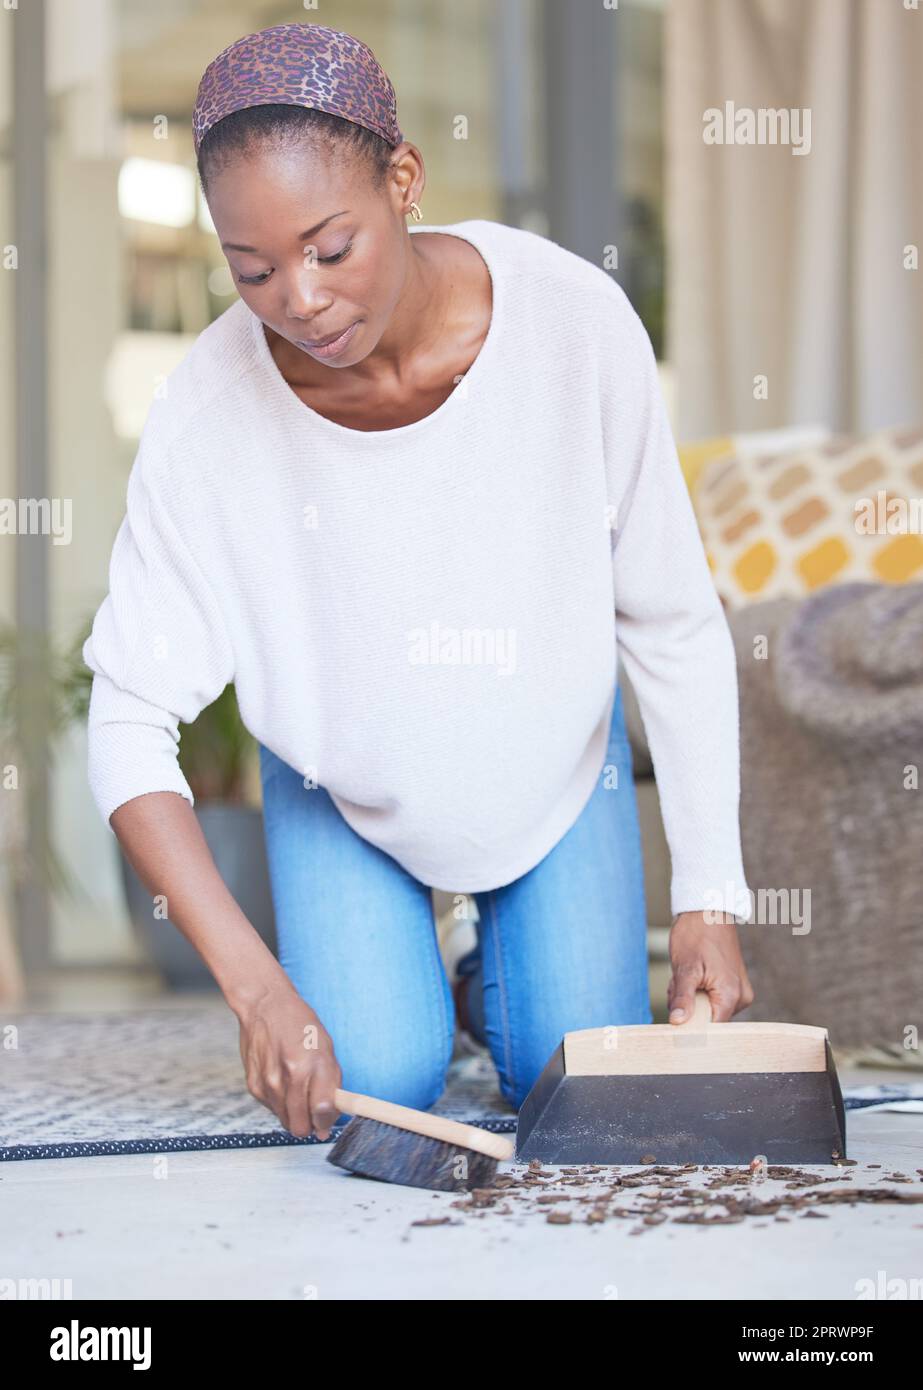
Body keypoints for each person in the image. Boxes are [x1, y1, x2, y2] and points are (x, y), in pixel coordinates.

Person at [83, 22, 754, 1144]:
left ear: (403, 180)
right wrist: (255, 990)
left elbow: (672, 622)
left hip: (551, 767)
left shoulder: (573, 325)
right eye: (250, 269)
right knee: (376, 1089)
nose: (295, 297)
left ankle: (476, 965)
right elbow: (125, 724)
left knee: (574, 1082)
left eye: (328, 247)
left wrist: (708, 899)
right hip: (342, 787)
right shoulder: (207, 416)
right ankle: (416, 975)